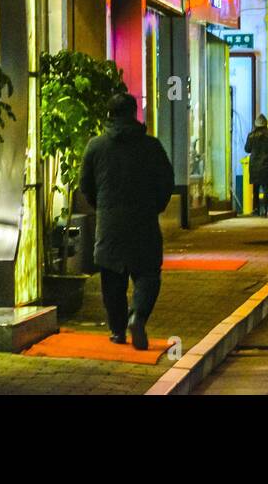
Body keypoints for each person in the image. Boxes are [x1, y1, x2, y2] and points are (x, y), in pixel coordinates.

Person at [79, 92, 175, 350]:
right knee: (148, 273)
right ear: (134, 114)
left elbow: (85, 186)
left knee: (112, 278)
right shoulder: (151, 146)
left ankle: (118, 330)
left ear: (109, 115)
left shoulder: (96, 146)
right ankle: (138, 316)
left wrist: (102, 208)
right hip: (144, 222)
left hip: (109, 225)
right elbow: (167, 182)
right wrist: (156, 207)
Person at [244, 114, 268, 216]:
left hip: (254, 165)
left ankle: (256, 209)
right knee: (266, 188)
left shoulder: (251, 135)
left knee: (255, 188)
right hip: (267, 164)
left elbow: (247, 149)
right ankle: (265, 209)